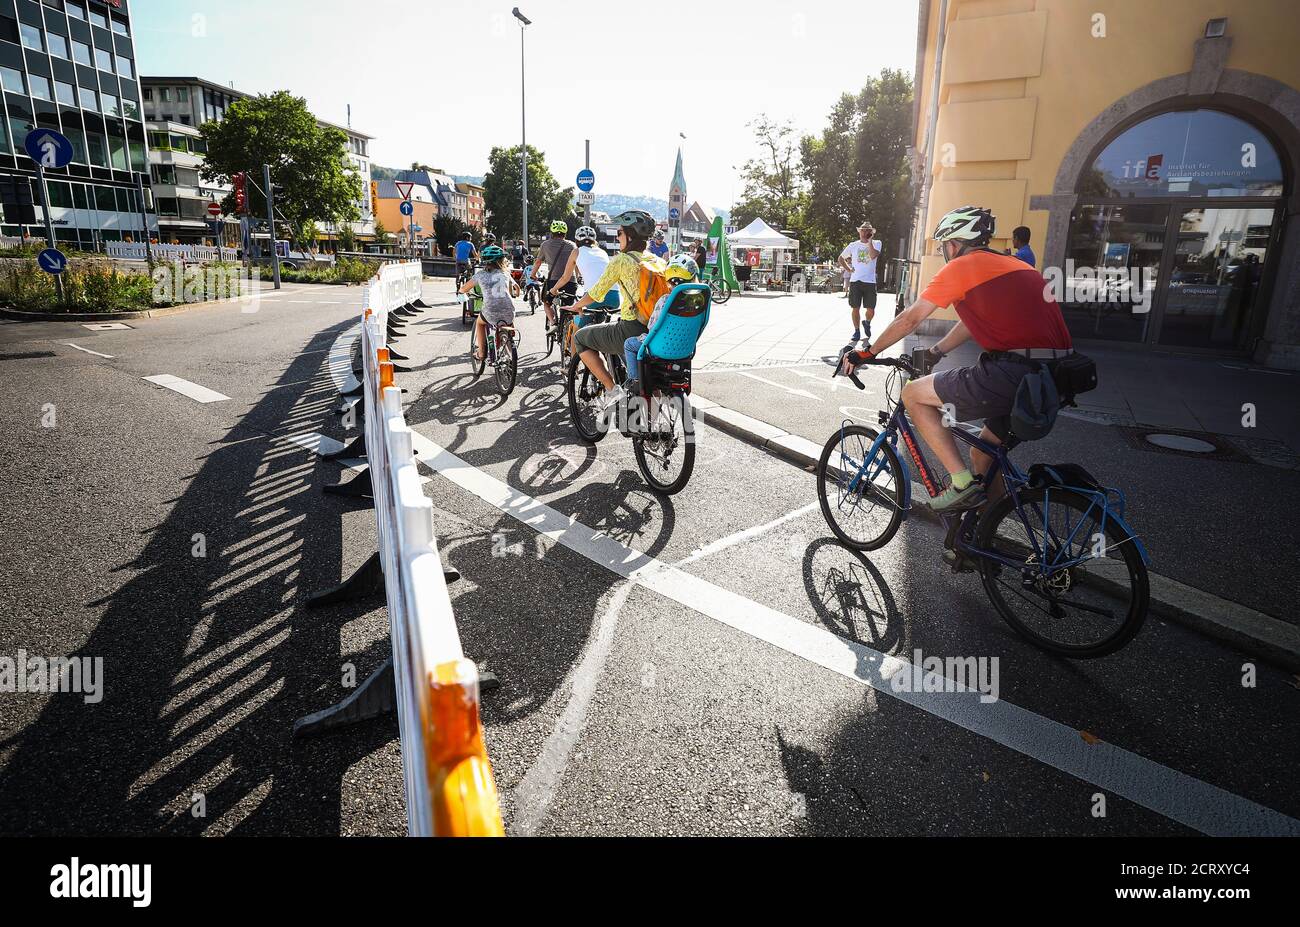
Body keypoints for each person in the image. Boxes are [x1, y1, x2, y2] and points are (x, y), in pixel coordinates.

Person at [841, 205, 1072, 513]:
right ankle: (987, 530)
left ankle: (961, 482)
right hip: (1054, 375)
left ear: (955, 243)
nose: (944, 252)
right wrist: (937, 351)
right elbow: (973, 322)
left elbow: (910, 319)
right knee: (984, 454)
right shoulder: (1014, 265)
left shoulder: (963, 266)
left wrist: (866, 352)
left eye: (944, 245)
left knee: (912, 394)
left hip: (1014, 373)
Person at [570, 209, 657, 411]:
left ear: (630, 235)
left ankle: (612, 389)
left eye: (619, 233)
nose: (618, 238)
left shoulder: (621, 260)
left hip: (631, 329)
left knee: (580, 338)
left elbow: (596, 292)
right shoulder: (655, 261)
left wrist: (577, 305)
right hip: (653, 329)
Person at [623, 254, 698, 397]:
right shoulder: (697, 301)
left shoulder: (665, 300)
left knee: (629, 344)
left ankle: (635, 381)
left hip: (660, 348)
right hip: (685, 348)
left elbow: (652, 326)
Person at [457, 244, 518, 363]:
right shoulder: (505, 273)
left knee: (480, 323)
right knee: (507, 312)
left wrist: (461, 292)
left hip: (490, 310)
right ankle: (509, 334)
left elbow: (464, 289)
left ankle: (481, 353)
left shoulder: (480, 275)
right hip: (509, 310)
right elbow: (510, 291)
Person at [550, 225, 619, 312]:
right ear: (594, 240)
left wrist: (553, 290)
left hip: (593, 296)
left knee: (578, 322)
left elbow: (565, 278)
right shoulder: (603, 252)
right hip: (614, 297)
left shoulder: (576, 252)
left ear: (576, 241)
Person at [839, 221, 882, 342]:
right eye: (862, 230)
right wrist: (848, 269)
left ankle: (867, 322)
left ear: (870, 233)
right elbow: (841, 258)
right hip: (855, 280)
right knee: (855, 307)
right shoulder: (853, 245)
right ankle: (857, 331)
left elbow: (873, 256)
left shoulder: (877, 243)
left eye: (867, 231)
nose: (864, 233)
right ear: (859, 232)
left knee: (870, 309)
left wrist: (869, 242)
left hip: (870, 281)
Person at [538, 220, 578, 331]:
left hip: (553, 281)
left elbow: (538, 262)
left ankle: (554, 323)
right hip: (571, 281)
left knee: (547, 303)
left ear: (551, 232)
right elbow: (576, 264)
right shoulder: (572, 245)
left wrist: (533, 275)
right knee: (569, 306)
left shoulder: (545, 245)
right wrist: (578, 277)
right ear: (565, 233)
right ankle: (569, 326)